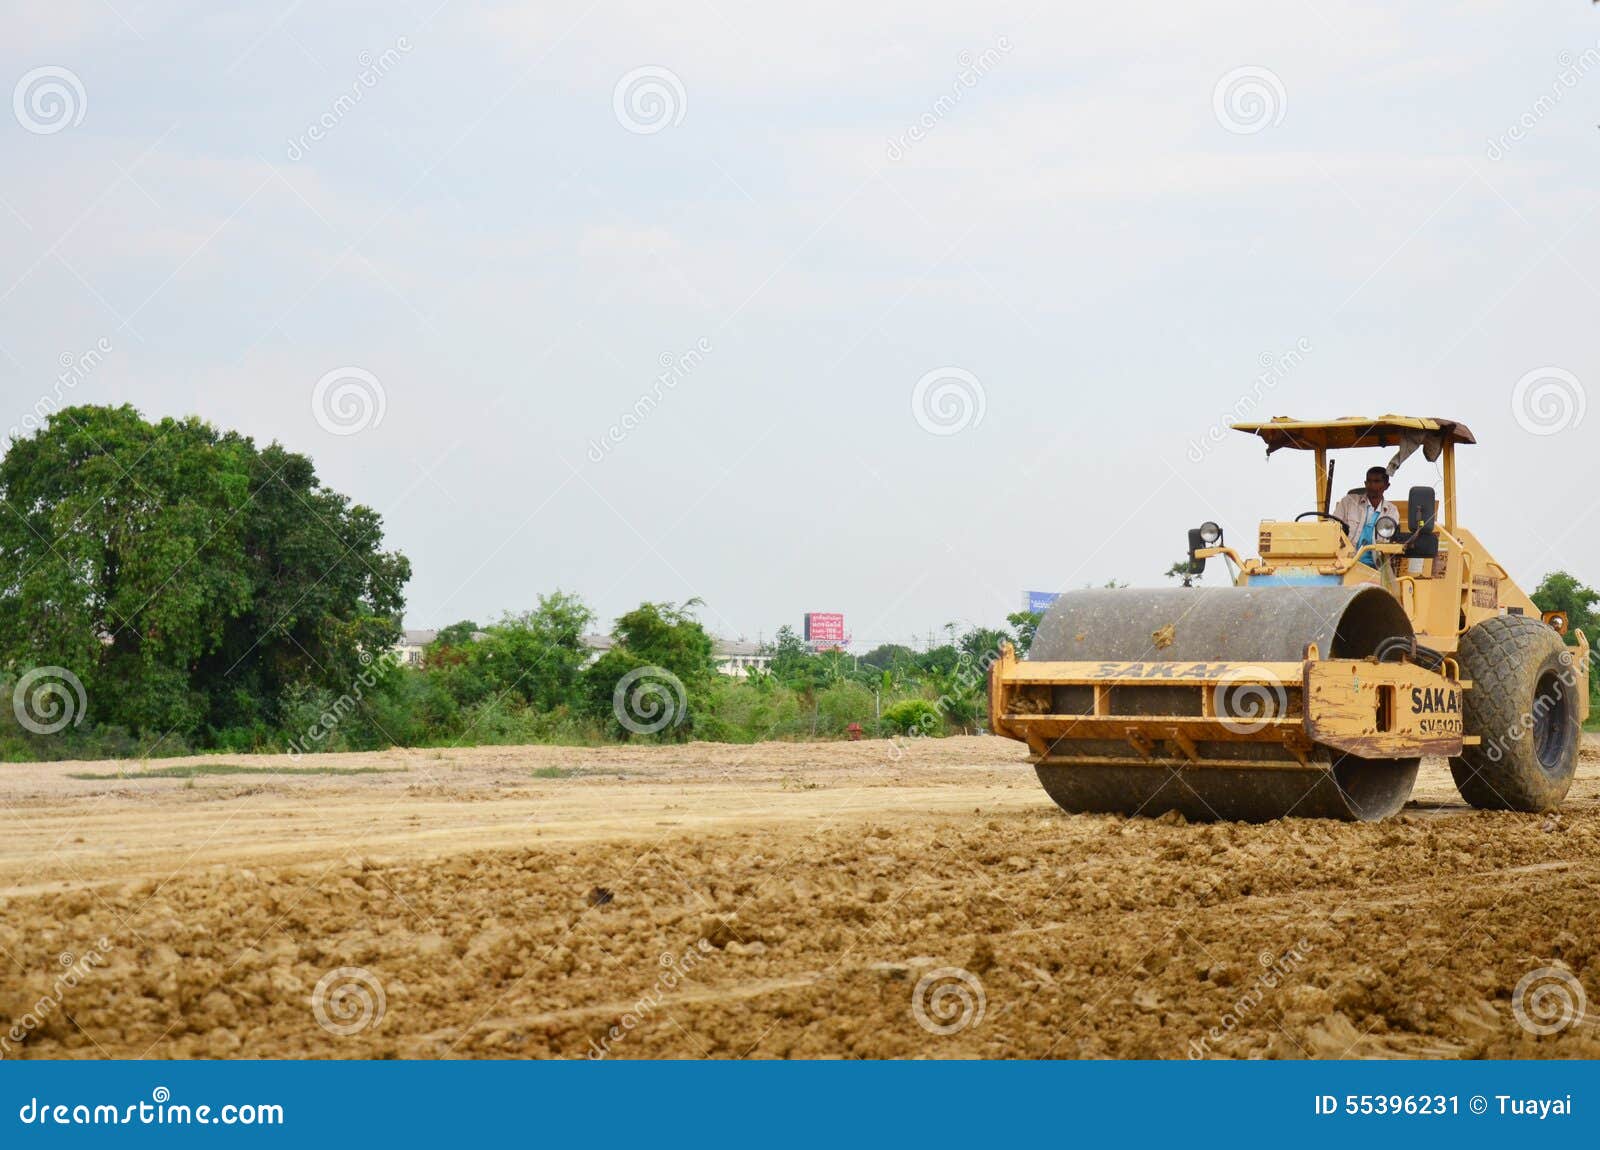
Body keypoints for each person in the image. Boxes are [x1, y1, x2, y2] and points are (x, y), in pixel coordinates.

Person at [1333, 466, 1400, 568]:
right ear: (1365, 484)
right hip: (1346, 563)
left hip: (1376, 567)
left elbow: (1388, 541)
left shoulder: (1391, 511)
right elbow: (1332, 528)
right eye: (1369, 481)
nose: (1372, 485)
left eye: (1377, 481)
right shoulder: (1348, 502)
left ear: (1387, 485)